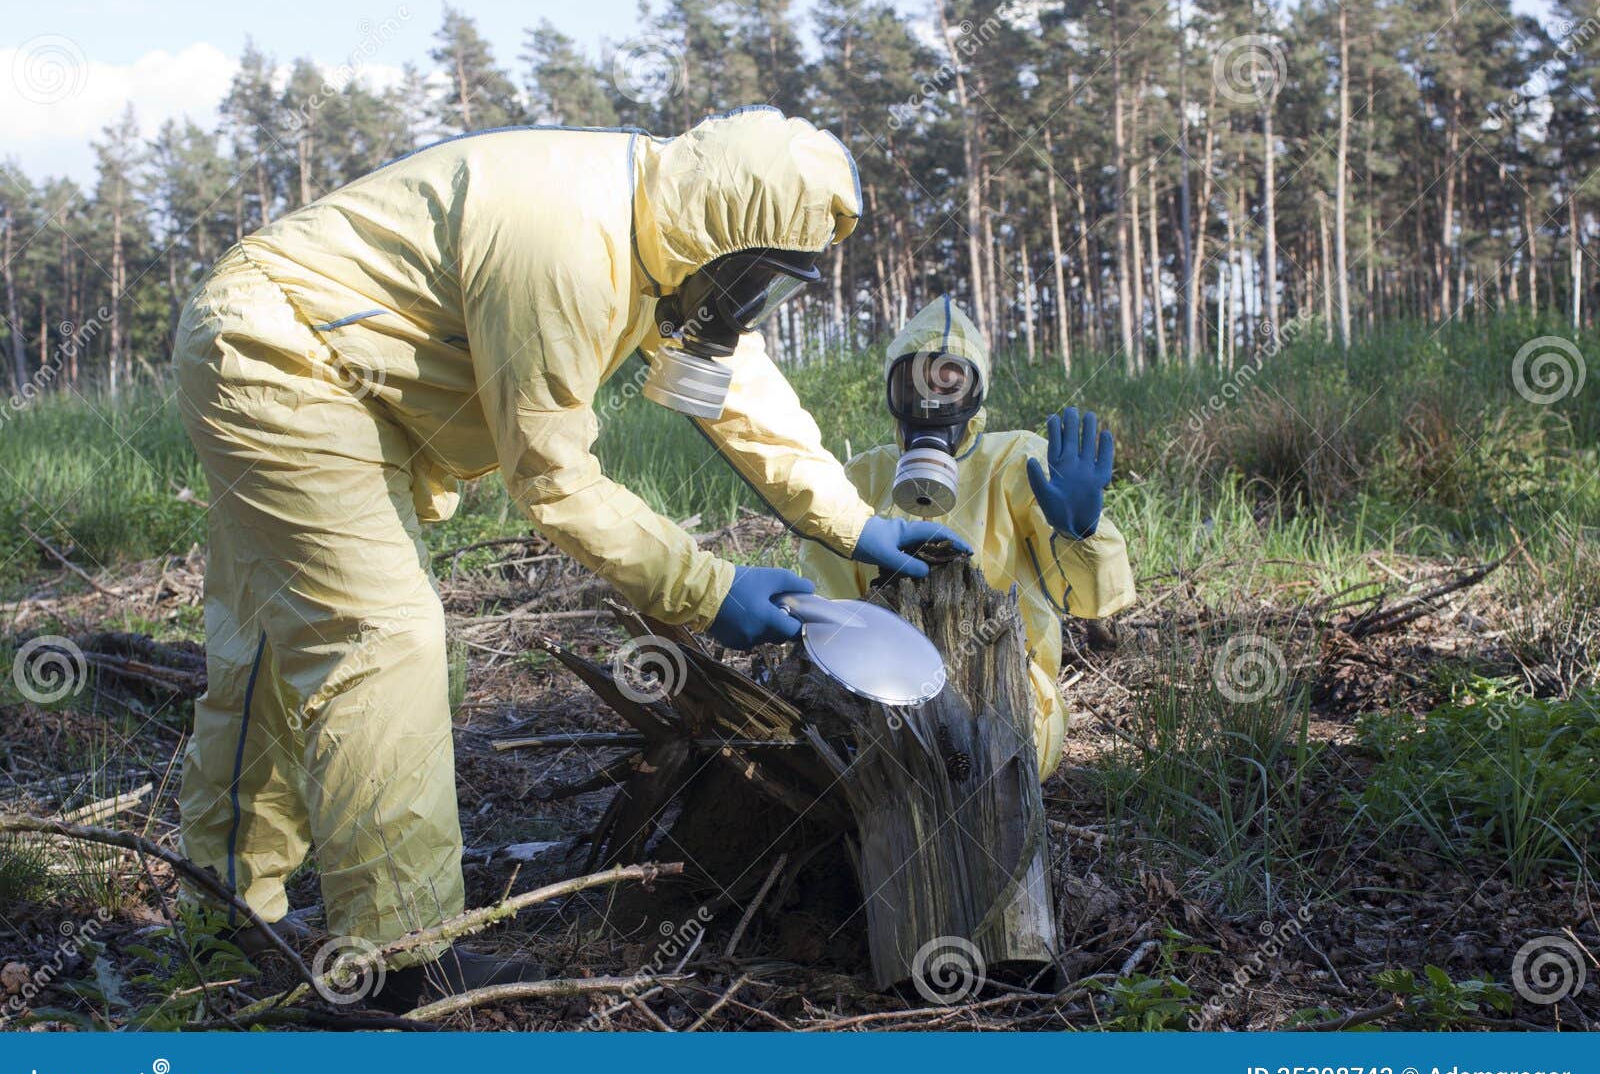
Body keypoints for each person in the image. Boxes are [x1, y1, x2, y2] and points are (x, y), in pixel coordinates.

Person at [173, 106, 966, 1007]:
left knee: (277, 648)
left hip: (280, 344)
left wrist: (857, 526)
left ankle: (218, 905)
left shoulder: (668, 232)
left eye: (779, 292)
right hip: (283, 358)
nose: (754, 307)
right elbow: (554, 483)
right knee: (384, 634)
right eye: (761, 284)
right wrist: (710, 590)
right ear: (729, 240)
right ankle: (401, 962)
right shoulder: (569, 245)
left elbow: (740, 393)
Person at [799, 296, 1134, 778]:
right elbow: (828, 612)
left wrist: (1082, 531)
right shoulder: (862, 478)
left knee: (979, 765)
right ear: (893, 393)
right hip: (880, 687)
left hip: (1008, 689)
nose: (933, 403)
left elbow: (1091, 599)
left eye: (951, 385)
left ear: (976, 395)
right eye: (916, 386)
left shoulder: (1018, 463)